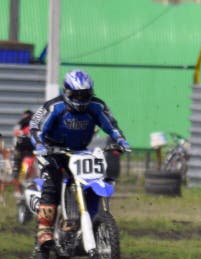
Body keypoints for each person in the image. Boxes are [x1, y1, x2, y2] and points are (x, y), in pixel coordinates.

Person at [29, 69, 131, 248]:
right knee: (52, 182)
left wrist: (120, 140)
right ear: (67, 91)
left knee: (93, 181)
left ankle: (90, 222)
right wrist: (39, 145)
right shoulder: (54, 106)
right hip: (52, 151)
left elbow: (111, 125)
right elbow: (35, 127)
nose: (81, 99)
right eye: (77, 95)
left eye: (85, 95)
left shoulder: (96, 106)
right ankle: (44, 231)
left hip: (80, 152)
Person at [11, 109, 35, 186]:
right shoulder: (22, 124)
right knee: (18, 165)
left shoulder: (30, 125)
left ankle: (21, 182)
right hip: (22, 149)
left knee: (25, 166)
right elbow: (16, 134)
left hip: (30, 150)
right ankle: (18, 183)